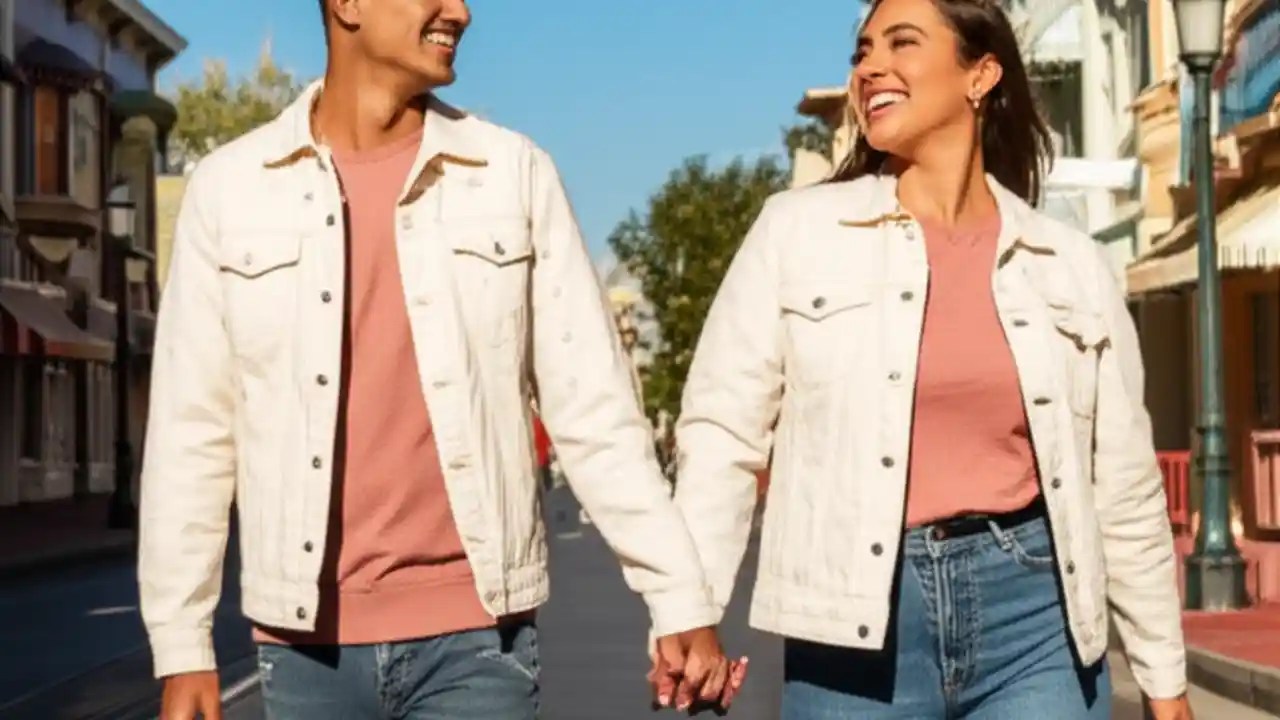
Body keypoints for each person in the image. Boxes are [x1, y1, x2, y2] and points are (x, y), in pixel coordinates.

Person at [139, 1, 739, 718]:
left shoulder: (511, 173)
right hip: (306, 651)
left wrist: (678, 596)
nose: (460, 10)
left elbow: (596, 413)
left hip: (476, 641)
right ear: (348, 6)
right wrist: (183, 650)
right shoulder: (232, 190)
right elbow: (191, 435)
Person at [655, 0, 1191, 718]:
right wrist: (689, 605)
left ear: (981, 73)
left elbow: (1123, 488)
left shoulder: (1068, 264)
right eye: (862, 50)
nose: (870, 65)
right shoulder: (798, 232)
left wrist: (1166, 684)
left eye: (902, 43)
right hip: (852, 631)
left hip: (1035, 620)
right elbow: (723, 433)